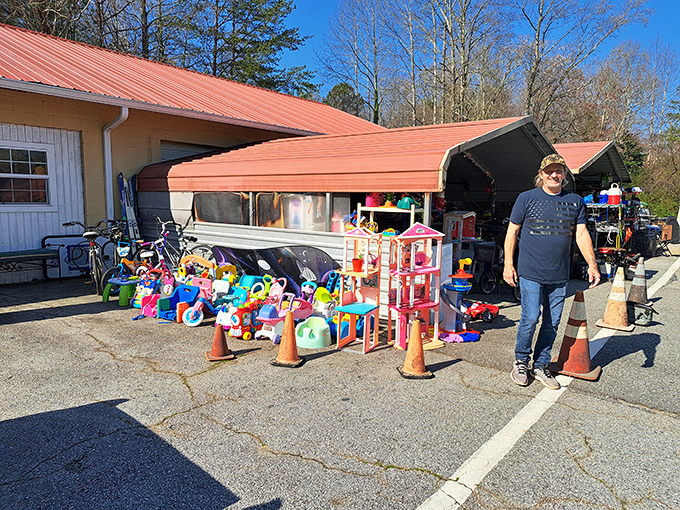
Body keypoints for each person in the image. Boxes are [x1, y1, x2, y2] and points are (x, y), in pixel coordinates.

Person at [503, 153, 600, 390]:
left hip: (559, 275)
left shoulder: (575, 201)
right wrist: (508, 264)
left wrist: (592, 264)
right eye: (549, 171)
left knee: (552, 322)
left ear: (564, 175)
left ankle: (541, 364)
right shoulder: (526, 199)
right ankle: (521, 361)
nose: (554, 175)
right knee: (530, 317)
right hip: (530, 271)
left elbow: (581, 234)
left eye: (558, 171)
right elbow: (512, 232)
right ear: (541, 174)